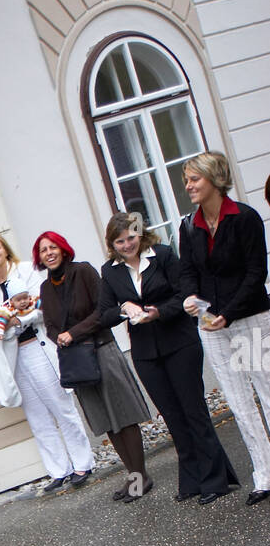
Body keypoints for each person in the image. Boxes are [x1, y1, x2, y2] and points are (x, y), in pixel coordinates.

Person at [100, 210, 238, 504]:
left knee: (194, 411)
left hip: (180, 343)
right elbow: (104, 314)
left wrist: (158, 312)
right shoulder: (109, 271)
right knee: (173, 417)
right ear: (112, 243)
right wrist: (124, 306)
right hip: (146, 354)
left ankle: (216, 479)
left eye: (131, 238)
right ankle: (192, 479)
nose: (127, 245)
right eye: (120, 241)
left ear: (141, 234)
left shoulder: (162, 255)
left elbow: (185, 295)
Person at [0, 234, 94, 495]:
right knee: (37, 417)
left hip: (38, 347)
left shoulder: (26, 270)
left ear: (5, 250)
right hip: (15, 356)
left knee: (61, 407)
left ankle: (83, 464)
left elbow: (45, 307)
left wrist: (18, 321)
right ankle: (59, 470)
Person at [179, 151, 270, 505]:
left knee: (266, 390)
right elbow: (187, 270)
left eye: (194, 179)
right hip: (212, 328)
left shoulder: (244, 218)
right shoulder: (189, 225)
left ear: (215, 179)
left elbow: (255, 275)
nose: (188, 186)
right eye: (187, 180)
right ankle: (263, 475)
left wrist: (228, 314)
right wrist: (189, 296)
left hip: (249, 319)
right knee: (238, 402)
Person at [35, 232, 153, 502]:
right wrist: (61, 338)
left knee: (123, 416)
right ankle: (132, 476)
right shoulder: (46, 288)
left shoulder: (83, 271)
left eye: (53, 247)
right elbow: (51, 326)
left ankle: (141, 477)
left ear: (64, 249)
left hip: (102, 350)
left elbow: (103, 311)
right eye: (43, 250)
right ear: (39, 257)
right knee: (107, 421)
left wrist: (73, 334)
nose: (49, 253)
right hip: (78, 362)